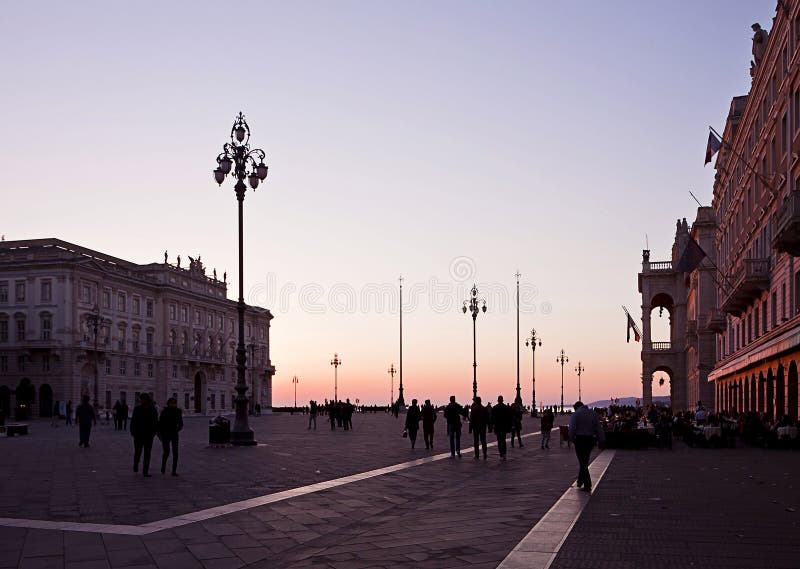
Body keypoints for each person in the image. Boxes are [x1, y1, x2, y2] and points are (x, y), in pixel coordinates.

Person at [568, 401, 605, 491]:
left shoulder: (576, 414)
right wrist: (601, 440)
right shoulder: (593, 413)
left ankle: (587, 484)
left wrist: (571, 438)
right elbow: (598, 428)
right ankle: (580, 481)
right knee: (584, 460)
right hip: (590, 440)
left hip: (580, 440)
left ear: (576, 407)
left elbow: (572, 428)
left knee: (582, 462)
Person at [130, 393, 159, 477]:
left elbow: (155, 421)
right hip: (138, 434)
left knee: (147, 452)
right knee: (138, 451)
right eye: (141, 399)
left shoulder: (153, 409)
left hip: (149, 434)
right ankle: (136, 463)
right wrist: (133, 432)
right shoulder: (137, 409)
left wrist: (154, 432)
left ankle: (145, 471)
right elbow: (133, 421)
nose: (142, 400)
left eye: (143, 399)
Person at [158, 397, 183, 476]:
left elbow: (181, 423)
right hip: (165, 433)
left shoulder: (178, 411)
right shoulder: (164, 412)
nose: (173, 404)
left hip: (174, 433)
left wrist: (177, 429)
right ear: (168, 404)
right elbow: (160, 423)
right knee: (166, 452)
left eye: (174, 403)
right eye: (171, 403)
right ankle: (163, 466)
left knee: (175, 452)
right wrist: (160, 434)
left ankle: (174, 471)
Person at [491, 395, 512, 460]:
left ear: (498, 400)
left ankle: (501, 454)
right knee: (503, 440)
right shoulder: (506, 408)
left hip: (498, 427)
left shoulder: (495, 408)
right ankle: (504, 454)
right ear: (502, 400)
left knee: (499, 441)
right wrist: (509, 427)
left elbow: (492, 418)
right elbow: (509, 418)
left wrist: (492, 426)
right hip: (504, 427)